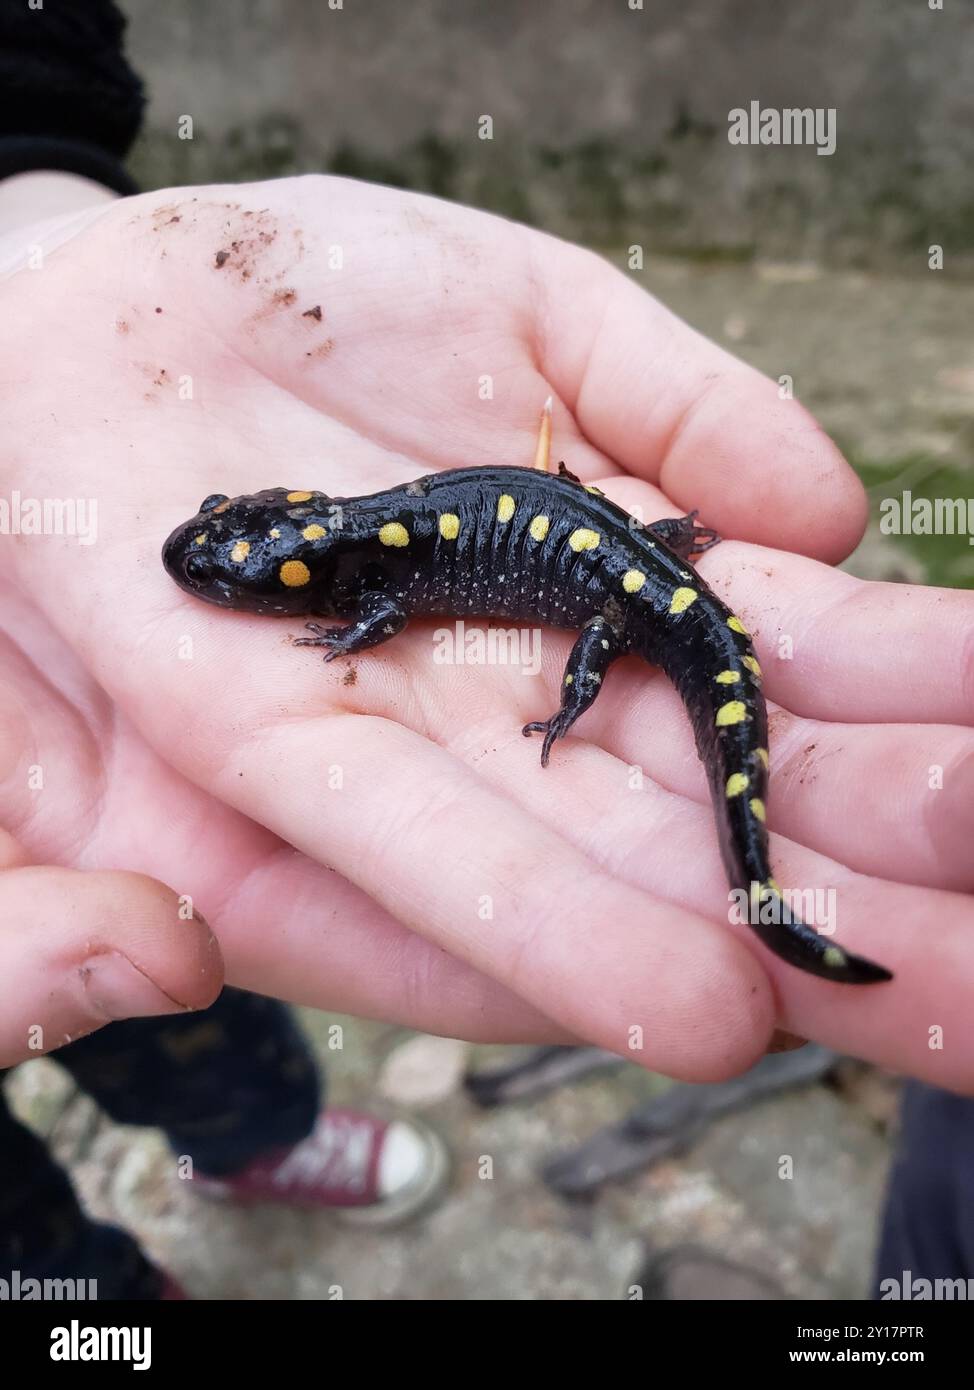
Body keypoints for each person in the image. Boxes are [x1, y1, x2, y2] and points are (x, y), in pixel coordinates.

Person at [1, 1, 972, 1300]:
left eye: (230, 557)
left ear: (286, 543)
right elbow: (380, 591)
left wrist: (566, 695)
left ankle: (745, 865)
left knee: (676, 696)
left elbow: (388, 609)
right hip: (636, 568)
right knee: (638, 616)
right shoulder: (338, 542)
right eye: (229, 558)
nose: (218, 563)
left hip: (643, 600)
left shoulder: (357, 569)